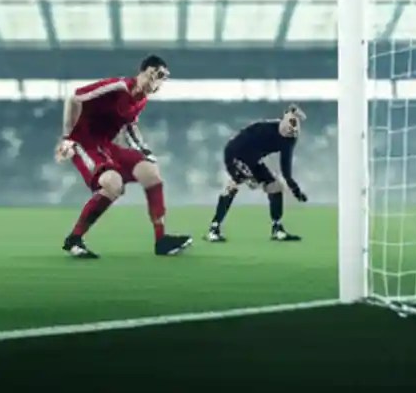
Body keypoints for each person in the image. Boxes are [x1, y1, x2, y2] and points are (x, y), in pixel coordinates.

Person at [54, 55, 193, 259]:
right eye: (154, 76)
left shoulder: (141, 100)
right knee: (113, 184)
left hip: (107, 146)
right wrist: (68, 137)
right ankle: (74, 239)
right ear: (143, 72)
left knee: (150, 172)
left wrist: (143, 150)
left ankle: (161, 240)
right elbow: (75, 97)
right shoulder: (117, 87)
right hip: (84, 142)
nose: (155, 83)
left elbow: (129, 125)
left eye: (161, 79)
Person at [206, 104, 308, 243]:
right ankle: (214, 228)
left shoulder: (289, 140)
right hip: (236, 154)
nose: (289, 134)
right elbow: (234, 147)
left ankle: (277, 228)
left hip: (254, 160)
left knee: (275, 186)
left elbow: (286, 168)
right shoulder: (261, 129)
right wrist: (244, 176)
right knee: (233, 185)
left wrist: (296, 191)